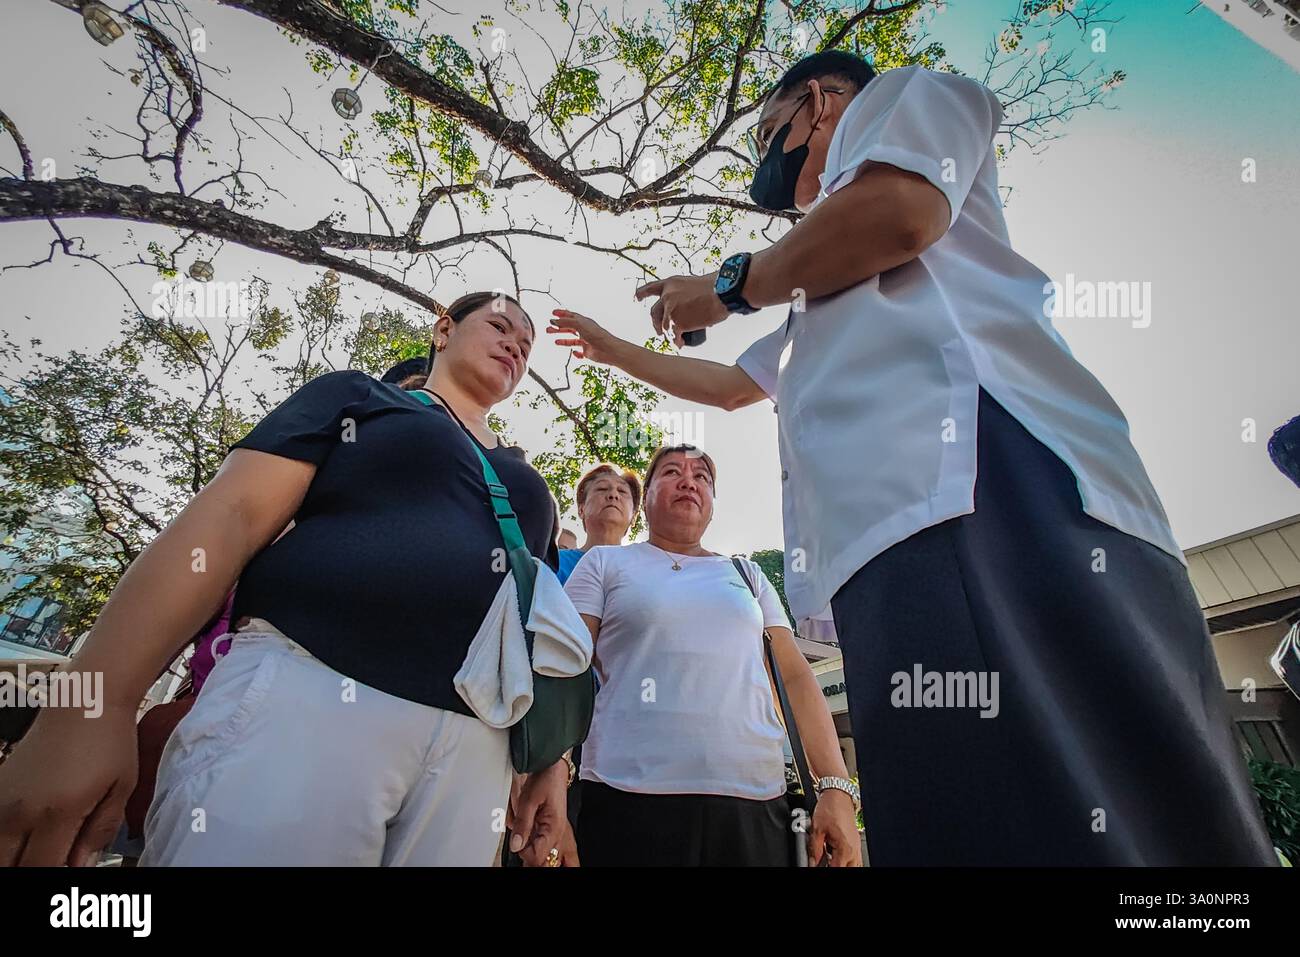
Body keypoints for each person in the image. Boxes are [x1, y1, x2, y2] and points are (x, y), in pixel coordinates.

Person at [547, 51, 1275, 865]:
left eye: (767, 135)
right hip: (897, 547)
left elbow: (898, 212)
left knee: (1090, 809)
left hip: (989, 492)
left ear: (821, 102)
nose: (765, 163)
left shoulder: (901, 98)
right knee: (964, 818)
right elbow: (722, 384)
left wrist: (728, 285)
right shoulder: (819, 306)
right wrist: (614, 350)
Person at [0, 291, 570, 867]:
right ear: (442, 330)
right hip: (305, 698)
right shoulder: (358, 398)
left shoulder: (528, 478)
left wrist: (551, 764)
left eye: (525, 346)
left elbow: (541, 633)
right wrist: (97, 704)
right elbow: (232, 518)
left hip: (478, 749)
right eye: (499, 327)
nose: (513, 348)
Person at [562, 444, 861, 866]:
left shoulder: (747, 575)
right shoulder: (605, 565)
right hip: (623, 800)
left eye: (702, 476)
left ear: (713, 502)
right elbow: (564, 669)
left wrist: (835, 788)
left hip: (753, 806)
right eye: (670, 472)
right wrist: (552, 774)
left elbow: (793, 677)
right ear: (644, 497)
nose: (688, 481)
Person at [558, 463, 642, 585]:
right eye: (601, 489)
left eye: (622, 491)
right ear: (581, 509)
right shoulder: (555, 563)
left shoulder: (644, 572)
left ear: (634, 516)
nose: (613, 495)